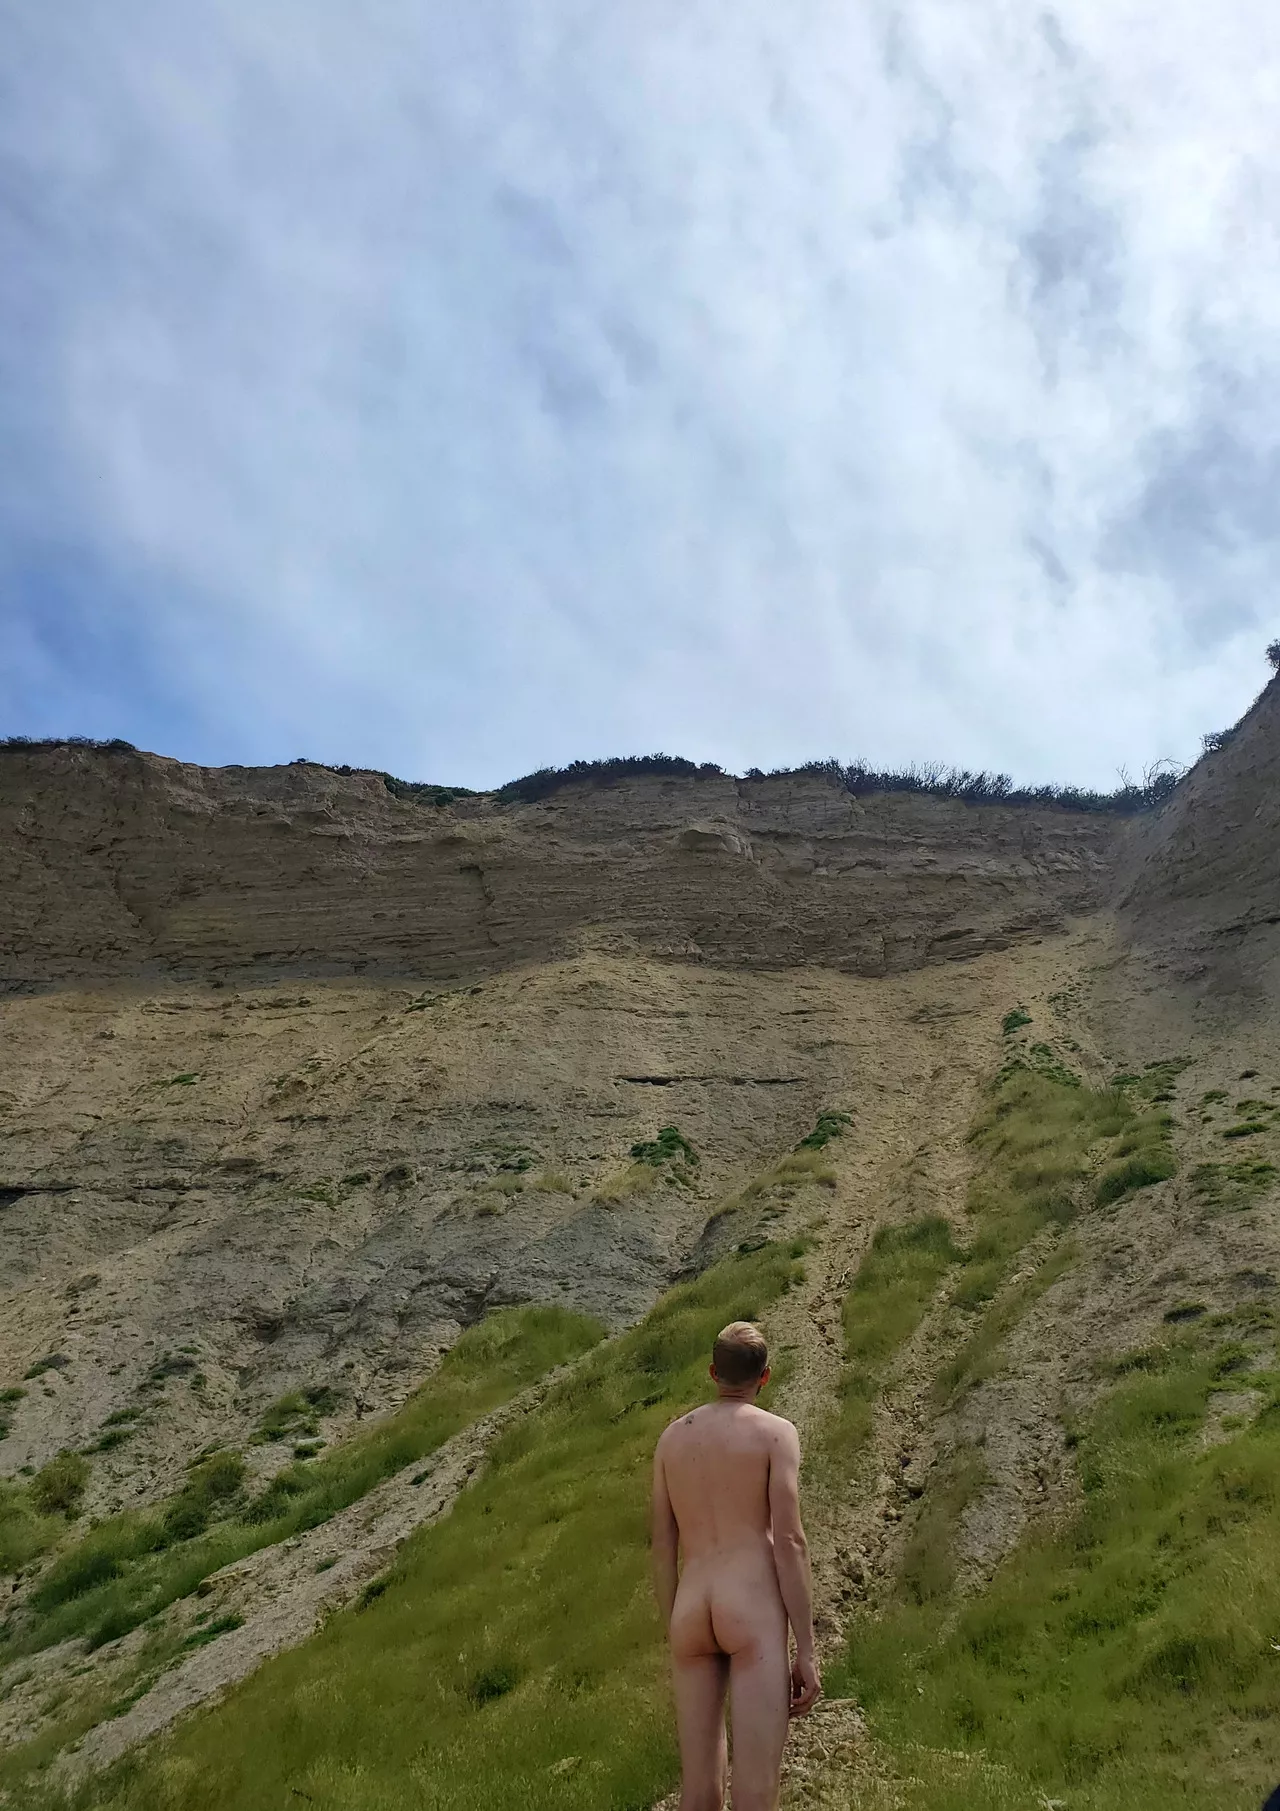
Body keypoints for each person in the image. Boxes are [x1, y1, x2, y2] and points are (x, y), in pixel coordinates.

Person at [651, 1320, 820, 1811]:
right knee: (755, 1792)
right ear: (764, 1378)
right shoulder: (775, 1435)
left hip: (691, 1610)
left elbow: (662, 1545)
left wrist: (673, 1627)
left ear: (712, 1373)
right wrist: (806, 1648)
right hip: (750, 1608)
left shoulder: (671, 1440)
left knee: (698, 1793)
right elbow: (789, 1540)